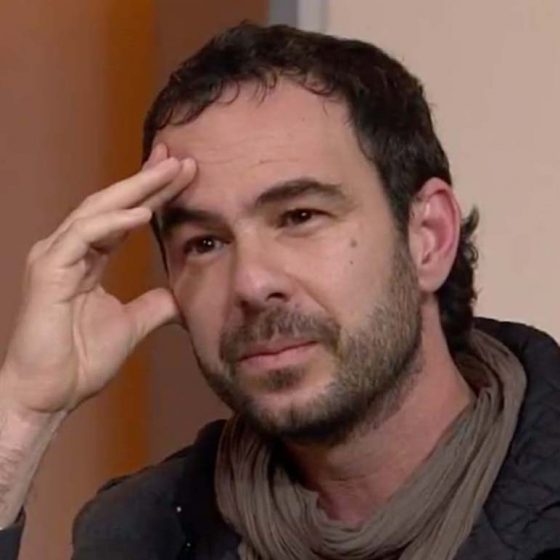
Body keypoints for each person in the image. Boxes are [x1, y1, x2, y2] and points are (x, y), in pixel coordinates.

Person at [0, 22, 559, 560]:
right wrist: (23, 412)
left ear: (428, 238)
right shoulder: (140, 534)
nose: (251, 283)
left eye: (299, 216)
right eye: (205, 243)